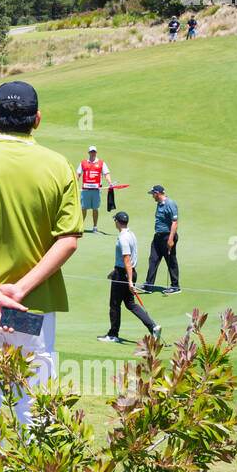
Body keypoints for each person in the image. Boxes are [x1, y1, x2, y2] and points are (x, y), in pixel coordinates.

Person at [0, 80, 81, 425]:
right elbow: (68, 239)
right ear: (37, 119)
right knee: (33, 411)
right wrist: (17, 291)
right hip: (31, 307)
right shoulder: (59, 165)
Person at [98, 211, 159, 343]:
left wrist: (129, 281)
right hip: (125, 272)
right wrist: (114, 272)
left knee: (114, 304)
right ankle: (153, 327)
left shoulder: (123, 238)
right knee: (130, 304)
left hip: (124, 274)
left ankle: (113, 334)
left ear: (116, 222)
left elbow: (127, 259)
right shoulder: (131, 234)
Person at [141, 184, 181, 294]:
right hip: (158, 236)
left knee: (170, 261)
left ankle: (175, 286)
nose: (152, 196)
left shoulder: (170, 204)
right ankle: (148, 285)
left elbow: (175, 222)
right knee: (153, 259)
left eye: (153, 194)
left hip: (168, 236)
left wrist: (171, 239)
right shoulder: (159, 203)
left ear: (157, 194)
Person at [78, 145, 110, 233]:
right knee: (83, 208)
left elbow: (106, 174)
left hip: (96, 190)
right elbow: (78, 174)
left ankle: (95, 227)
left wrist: (110, 182)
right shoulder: (83, 163)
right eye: (91, 152)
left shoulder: (101, 163)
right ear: (88, 153)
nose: (93, 153)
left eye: (94, 152)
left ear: (96, 153)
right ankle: (80, 226)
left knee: (95, 209)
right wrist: (74, 182)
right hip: (86, 190)